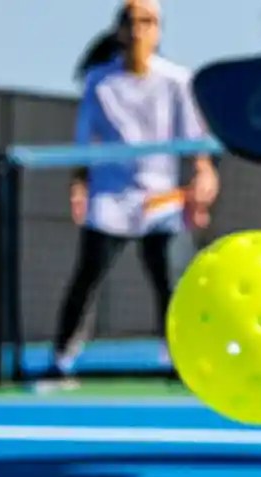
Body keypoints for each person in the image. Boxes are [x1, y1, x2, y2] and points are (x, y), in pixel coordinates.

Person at [39, 0, 218, 387]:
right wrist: (79, 185)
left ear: (158, 31)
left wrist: (202, 176)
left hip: (162, 200)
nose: (139, 29)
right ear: (120, 30)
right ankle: (61, 360)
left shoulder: (177, 80)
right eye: (131, 22)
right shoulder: (99, 82)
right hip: (110, 199)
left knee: (172, 284)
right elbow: (85, 141)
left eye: (148, 22)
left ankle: (180, 359)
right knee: (86, 278)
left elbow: (194, 140)